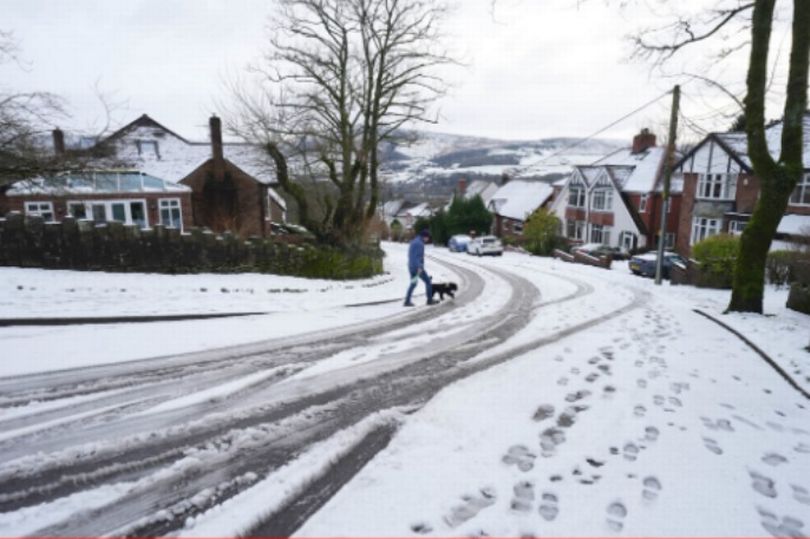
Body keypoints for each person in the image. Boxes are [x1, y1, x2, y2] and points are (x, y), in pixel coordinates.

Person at [404, 228, 437, 307]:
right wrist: (419, 268)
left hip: (411, 266)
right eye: (427, 237)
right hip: (417, 268)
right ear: (424, 237)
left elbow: (410, 255)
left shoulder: (414, 242)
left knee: (413, 283)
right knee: (428, 282)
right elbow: (417, 257)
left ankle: (407, 301)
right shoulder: (420, 244)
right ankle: (429, 300)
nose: (428, 239)